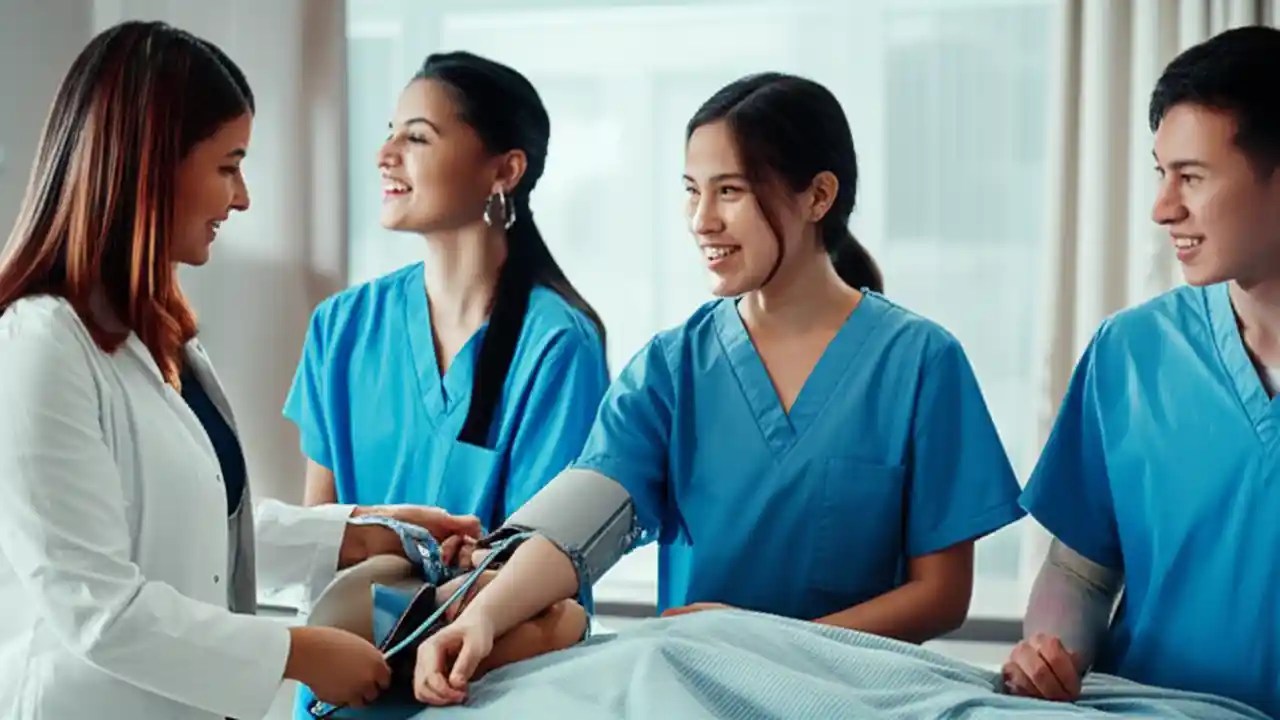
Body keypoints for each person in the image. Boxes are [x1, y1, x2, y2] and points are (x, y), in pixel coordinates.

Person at [406, 71, 1027, 706]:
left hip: (859, 696)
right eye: (691, 191)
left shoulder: (920, 362)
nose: (702, 220)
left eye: (729, 191)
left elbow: (942, 595)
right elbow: (579, 523)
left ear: (818, 196)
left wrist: (757, 642)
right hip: (694, 696)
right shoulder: (671, 369)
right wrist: (482, 615)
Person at [0, 22, 480, 720]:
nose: (243, 196)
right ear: (151, 164)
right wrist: (297, 651)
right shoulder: (39, 344)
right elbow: (96, 605)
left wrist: (361, 530)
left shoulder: (159, 338)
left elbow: (195, 528)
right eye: (228, 165)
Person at [284, 50, 608, 717]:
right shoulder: (341, 327)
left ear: (504, 170)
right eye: (389, 130)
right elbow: (321, 537)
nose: (385, 153)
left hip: (484, 689)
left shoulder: (556, 345)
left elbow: (543, 578)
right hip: (341, 683)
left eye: (418, 136)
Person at [1003, 26, 1280, 719]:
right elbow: (1079, 572)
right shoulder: (1131, 354)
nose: (1163, 207)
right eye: (1161, 173)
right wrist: (1049, 654)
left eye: (1191, 176)